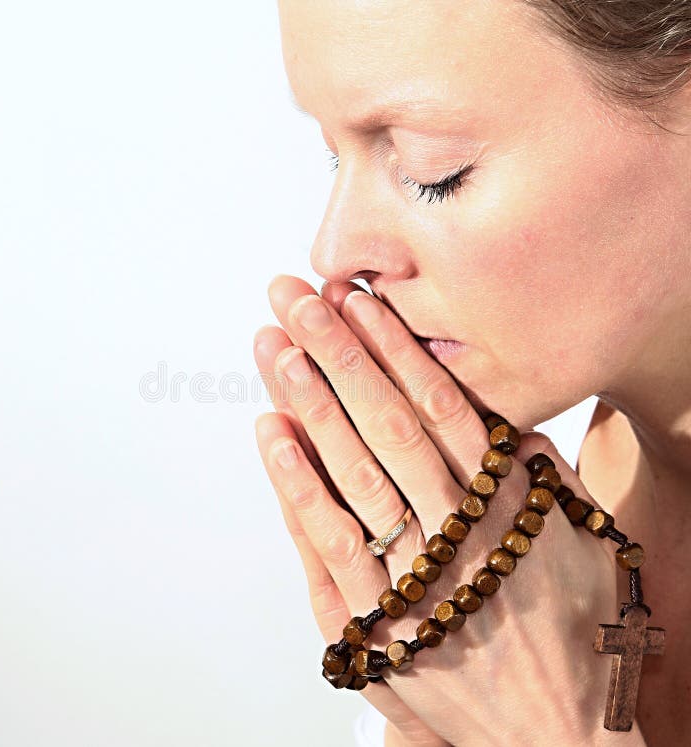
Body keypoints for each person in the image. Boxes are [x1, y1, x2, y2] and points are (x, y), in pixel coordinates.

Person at [252, 1, 691, 744]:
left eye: (432, 172)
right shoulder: (522, 531)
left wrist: (556, 727)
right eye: (335, 154)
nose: (332, 251)